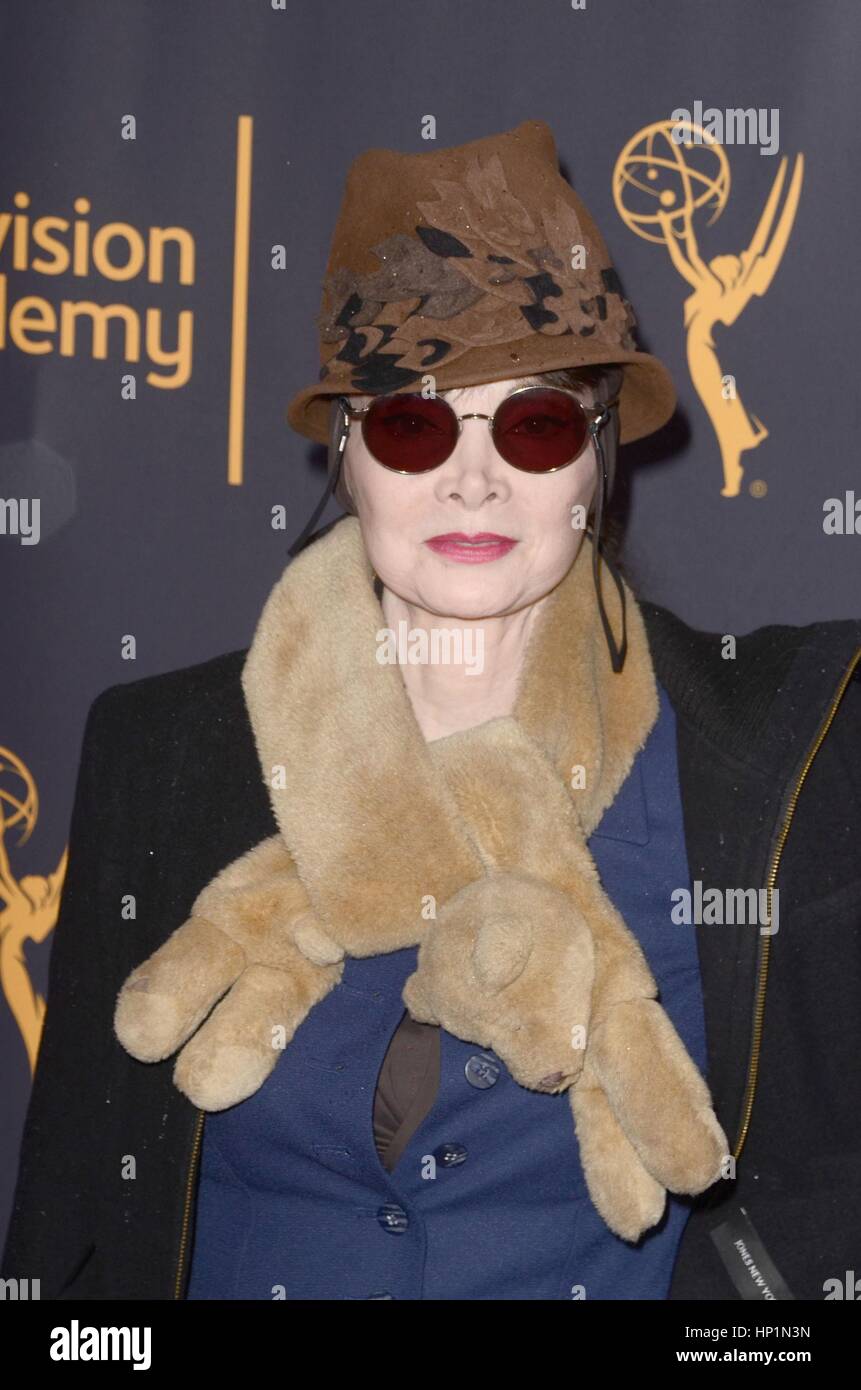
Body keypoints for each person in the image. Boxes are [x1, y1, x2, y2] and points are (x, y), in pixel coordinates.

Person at [3, 119, 860, 1303]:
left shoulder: (772, 751)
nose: (473, 477)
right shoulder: (162, 750)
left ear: (595, 456)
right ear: (347, 453)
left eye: (534, 422)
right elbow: (76, 1210)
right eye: (412, 423)